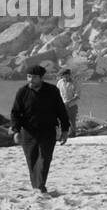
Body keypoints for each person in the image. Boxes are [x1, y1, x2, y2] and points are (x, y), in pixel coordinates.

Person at [9, 64, 70, 195]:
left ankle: (40, 186)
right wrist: (16, 130)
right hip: (28, 132)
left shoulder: (52, 91)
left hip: (48, 131)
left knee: (45, 158)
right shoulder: (22, 92)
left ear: (41, 78)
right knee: (31, 160)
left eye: (34, 77)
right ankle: (36, 186)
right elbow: (15, 113)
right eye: (29, 76)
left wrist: (65, 130)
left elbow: (61, 111)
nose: (31, 80)